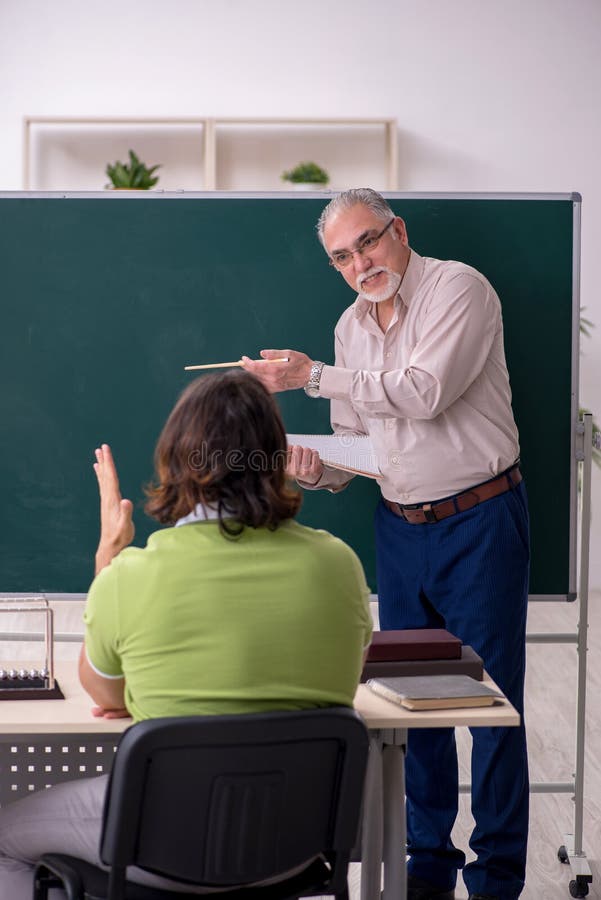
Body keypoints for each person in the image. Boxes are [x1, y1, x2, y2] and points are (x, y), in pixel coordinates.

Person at [243, 188, 530, 900]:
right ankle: (427, 867)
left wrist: (309, 376)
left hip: (479, 519)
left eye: (366, 243)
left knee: (492, 708)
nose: (358, 264)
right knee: (410, 706)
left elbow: (424, 390)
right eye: (341, 257)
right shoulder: (350, 327)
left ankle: (496, 878)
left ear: (397, 231)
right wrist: (318, 468)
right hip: (400, 526)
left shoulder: (458, 287)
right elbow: (358, 444)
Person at [0, 369, 372, 898]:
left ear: (177, 458)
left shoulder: (133, 574)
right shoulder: (340, 566)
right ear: (278, 457)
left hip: (160, 841)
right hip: (295, 846)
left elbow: (104, 692)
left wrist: (109, 557)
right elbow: (346, 676)